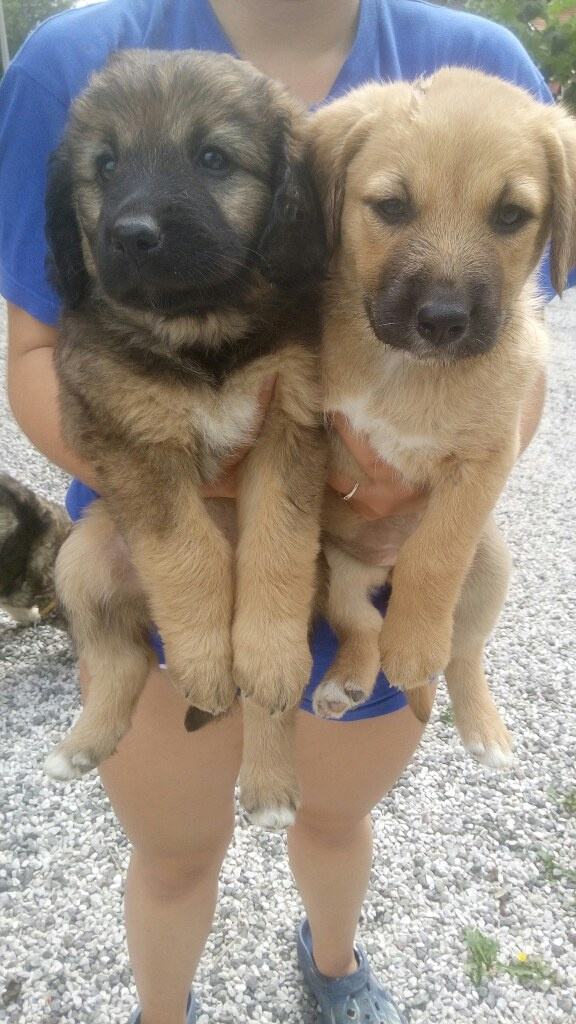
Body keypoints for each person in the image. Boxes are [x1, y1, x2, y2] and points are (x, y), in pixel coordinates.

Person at [0, 2, 568, 1023]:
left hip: (372, 569)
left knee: (337, 819)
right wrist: (194, 500)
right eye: (389, 206)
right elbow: (43, 352)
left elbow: (517, 365)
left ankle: (336, 963)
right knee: (174, 855)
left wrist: (416, 527)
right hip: (159, 550)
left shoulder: (482, 63)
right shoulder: (72, 58)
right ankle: (163, 1009)